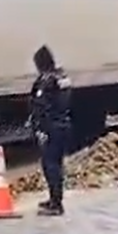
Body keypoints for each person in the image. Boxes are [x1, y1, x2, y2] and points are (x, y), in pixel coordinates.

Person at [29, 44, 74, 216]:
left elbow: (42, 107)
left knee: (50, 165)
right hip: (63, 124)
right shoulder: (62, 77)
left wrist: (41, 129)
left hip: (52, 128)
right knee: (57, 163)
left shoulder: (47, 81)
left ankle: (56, 204)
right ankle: (55, 199)